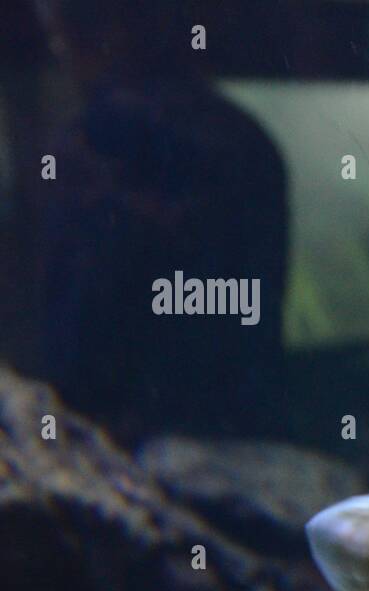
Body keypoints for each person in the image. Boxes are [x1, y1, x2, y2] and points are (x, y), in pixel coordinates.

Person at [37, 3, 288, 443]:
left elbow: (76, 340)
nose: (63, 53)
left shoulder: (99, 136)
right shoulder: (248, 141)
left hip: (118, 444)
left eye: (64, 34)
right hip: (235, 435)